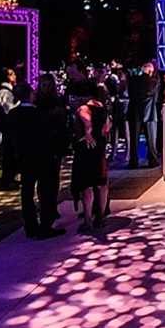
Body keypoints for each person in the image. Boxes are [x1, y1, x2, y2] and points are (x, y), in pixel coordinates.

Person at [8, 83, 65, 240]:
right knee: (45, 191)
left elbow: (8, 137)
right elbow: (48, 136)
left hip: (23, 158)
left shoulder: (12, 114)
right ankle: (45, 226)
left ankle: (30, 226)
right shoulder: (39, 114)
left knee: (27, 192)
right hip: (41, 157)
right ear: (30, 95)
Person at [71, 84, 111, 230]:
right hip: (100, 146)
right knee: (101, 182)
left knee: (87, 184)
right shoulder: (102, 108)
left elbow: (87, 121)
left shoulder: (83, 108)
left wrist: (88, 133)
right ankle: (101, 216)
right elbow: (107, 127)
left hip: (87, 148)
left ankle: (88, 219)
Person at [35, 74, 69, 232]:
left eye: (47, 85)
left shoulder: (54, 101)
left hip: (51, 145)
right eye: (43, 84)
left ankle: (50, 209)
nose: (45, 88)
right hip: (46, 145)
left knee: (51, 180)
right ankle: (46, 212)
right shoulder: (40, 103)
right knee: (46, 181)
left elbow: (62, 124)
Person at [128, 62, 159, 168]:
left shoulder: (132, 81)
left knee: (134, 139)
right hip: (150, 113)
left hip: (134, 112)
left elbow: (130, 95)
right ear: (150, 71)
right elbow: (156, 97)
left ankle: (133, 162)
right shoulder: (154, 82)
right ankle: (152, 161)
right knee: (151, 140)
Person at [0, 67, 19, 190]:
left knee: (12, 152)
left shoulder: (9, 91)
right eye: (12, 74)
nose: (15, 76)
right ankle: (7, 181)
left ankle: (11, 178)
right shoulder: (4, 92)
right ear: (8, 77)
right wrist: (21, 104)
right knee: (9, 153)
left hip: (11, 125)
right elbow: (9, 110)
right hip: (9, 126)